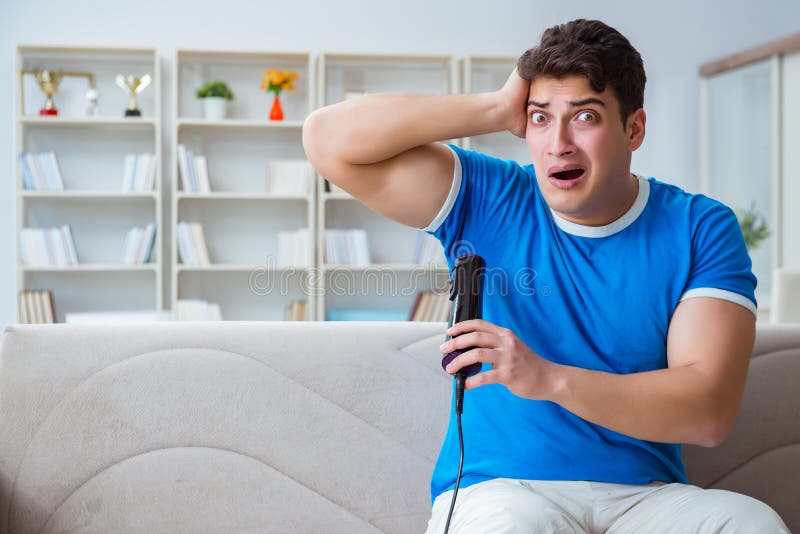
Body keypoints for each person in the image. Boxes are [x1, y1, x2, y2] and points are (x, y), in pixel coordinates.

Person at [302, 18, 789, 533]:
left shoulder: (698, 226)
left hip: (645, 498)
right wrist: (496, 107)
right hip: (506, 493)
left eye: (584, 116)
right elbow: (326, 138)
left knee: (751, 523)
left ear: (634, 129)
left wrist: (546, 378)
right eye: (540, 118)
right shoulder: (488, 198)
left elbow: (707, 411)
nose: (558, 143)